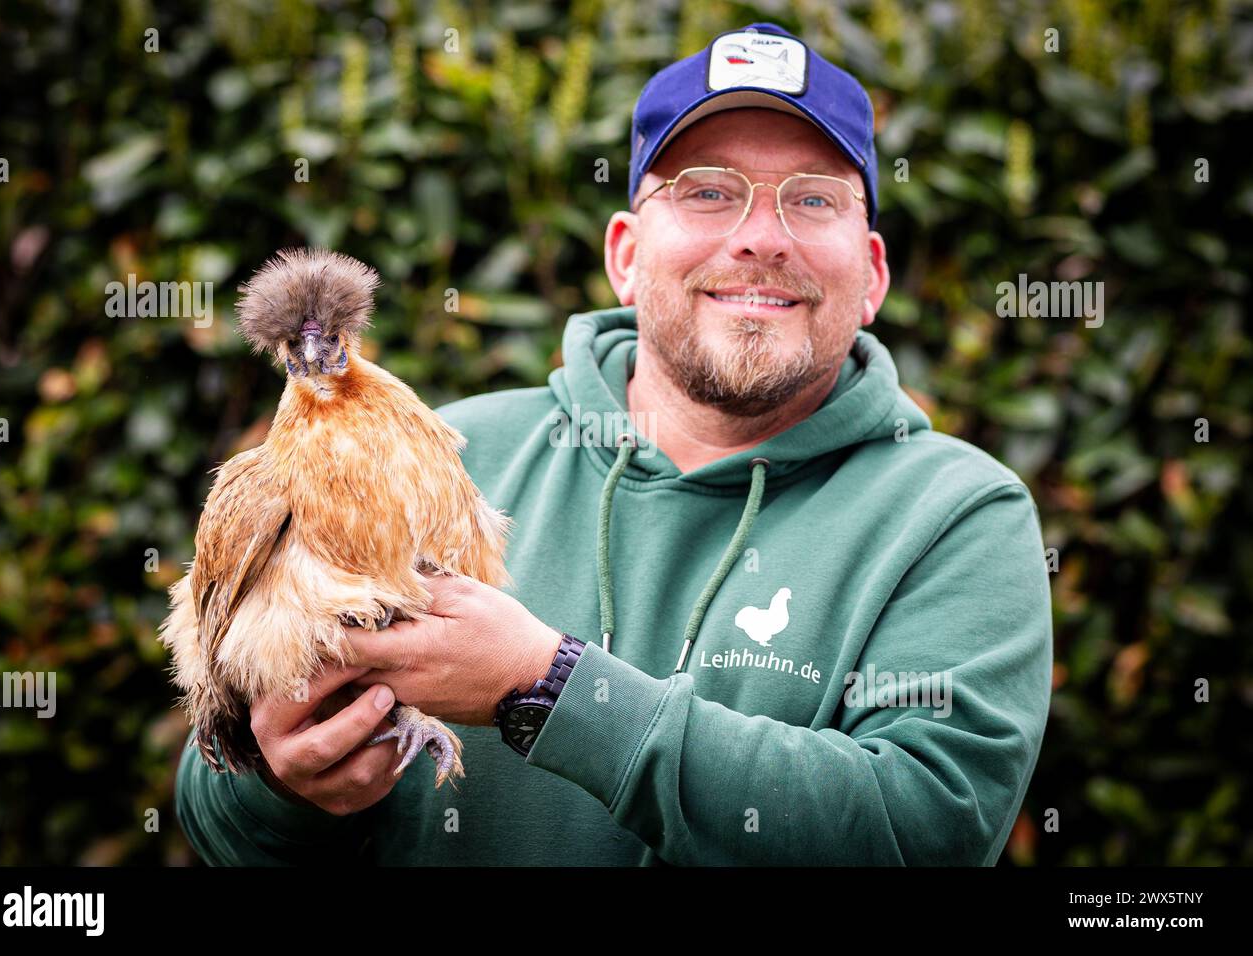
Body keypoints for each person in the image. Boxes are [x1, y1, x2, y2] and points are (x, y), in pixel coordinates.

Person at [175, 22, 1052, 866]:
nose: (761, 236)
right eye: (707, 190)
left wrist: (547, 686)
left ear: (873, 276)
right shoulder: (452, 452)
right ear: (626, 255)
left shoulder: (957, 516)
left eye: (812, 198)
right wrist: (283, 787)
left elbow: (922, 833)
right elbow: (221, 825)